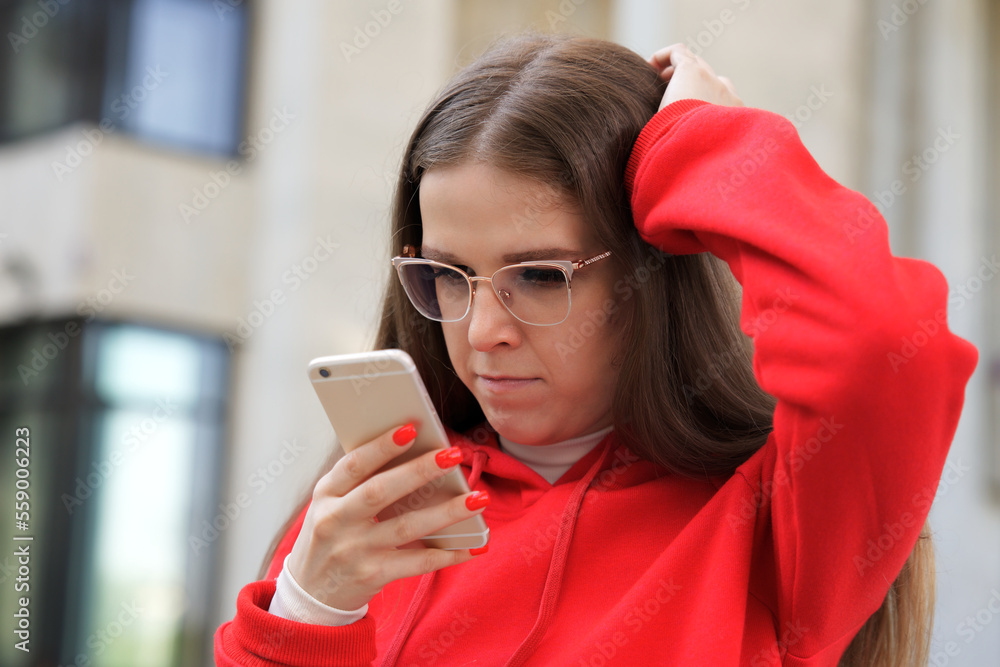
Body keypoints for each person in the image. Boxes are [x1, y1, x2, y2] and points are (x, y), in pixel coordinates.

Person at [214, 31, 978, 666]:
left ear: (650, 273)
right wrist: (309, 610)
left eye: (539, 275)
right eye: (447, 275)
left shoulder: (774, 520)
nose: (481, 332)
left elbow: (880, 340)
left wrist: (705, 146)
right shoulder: (365, 521)